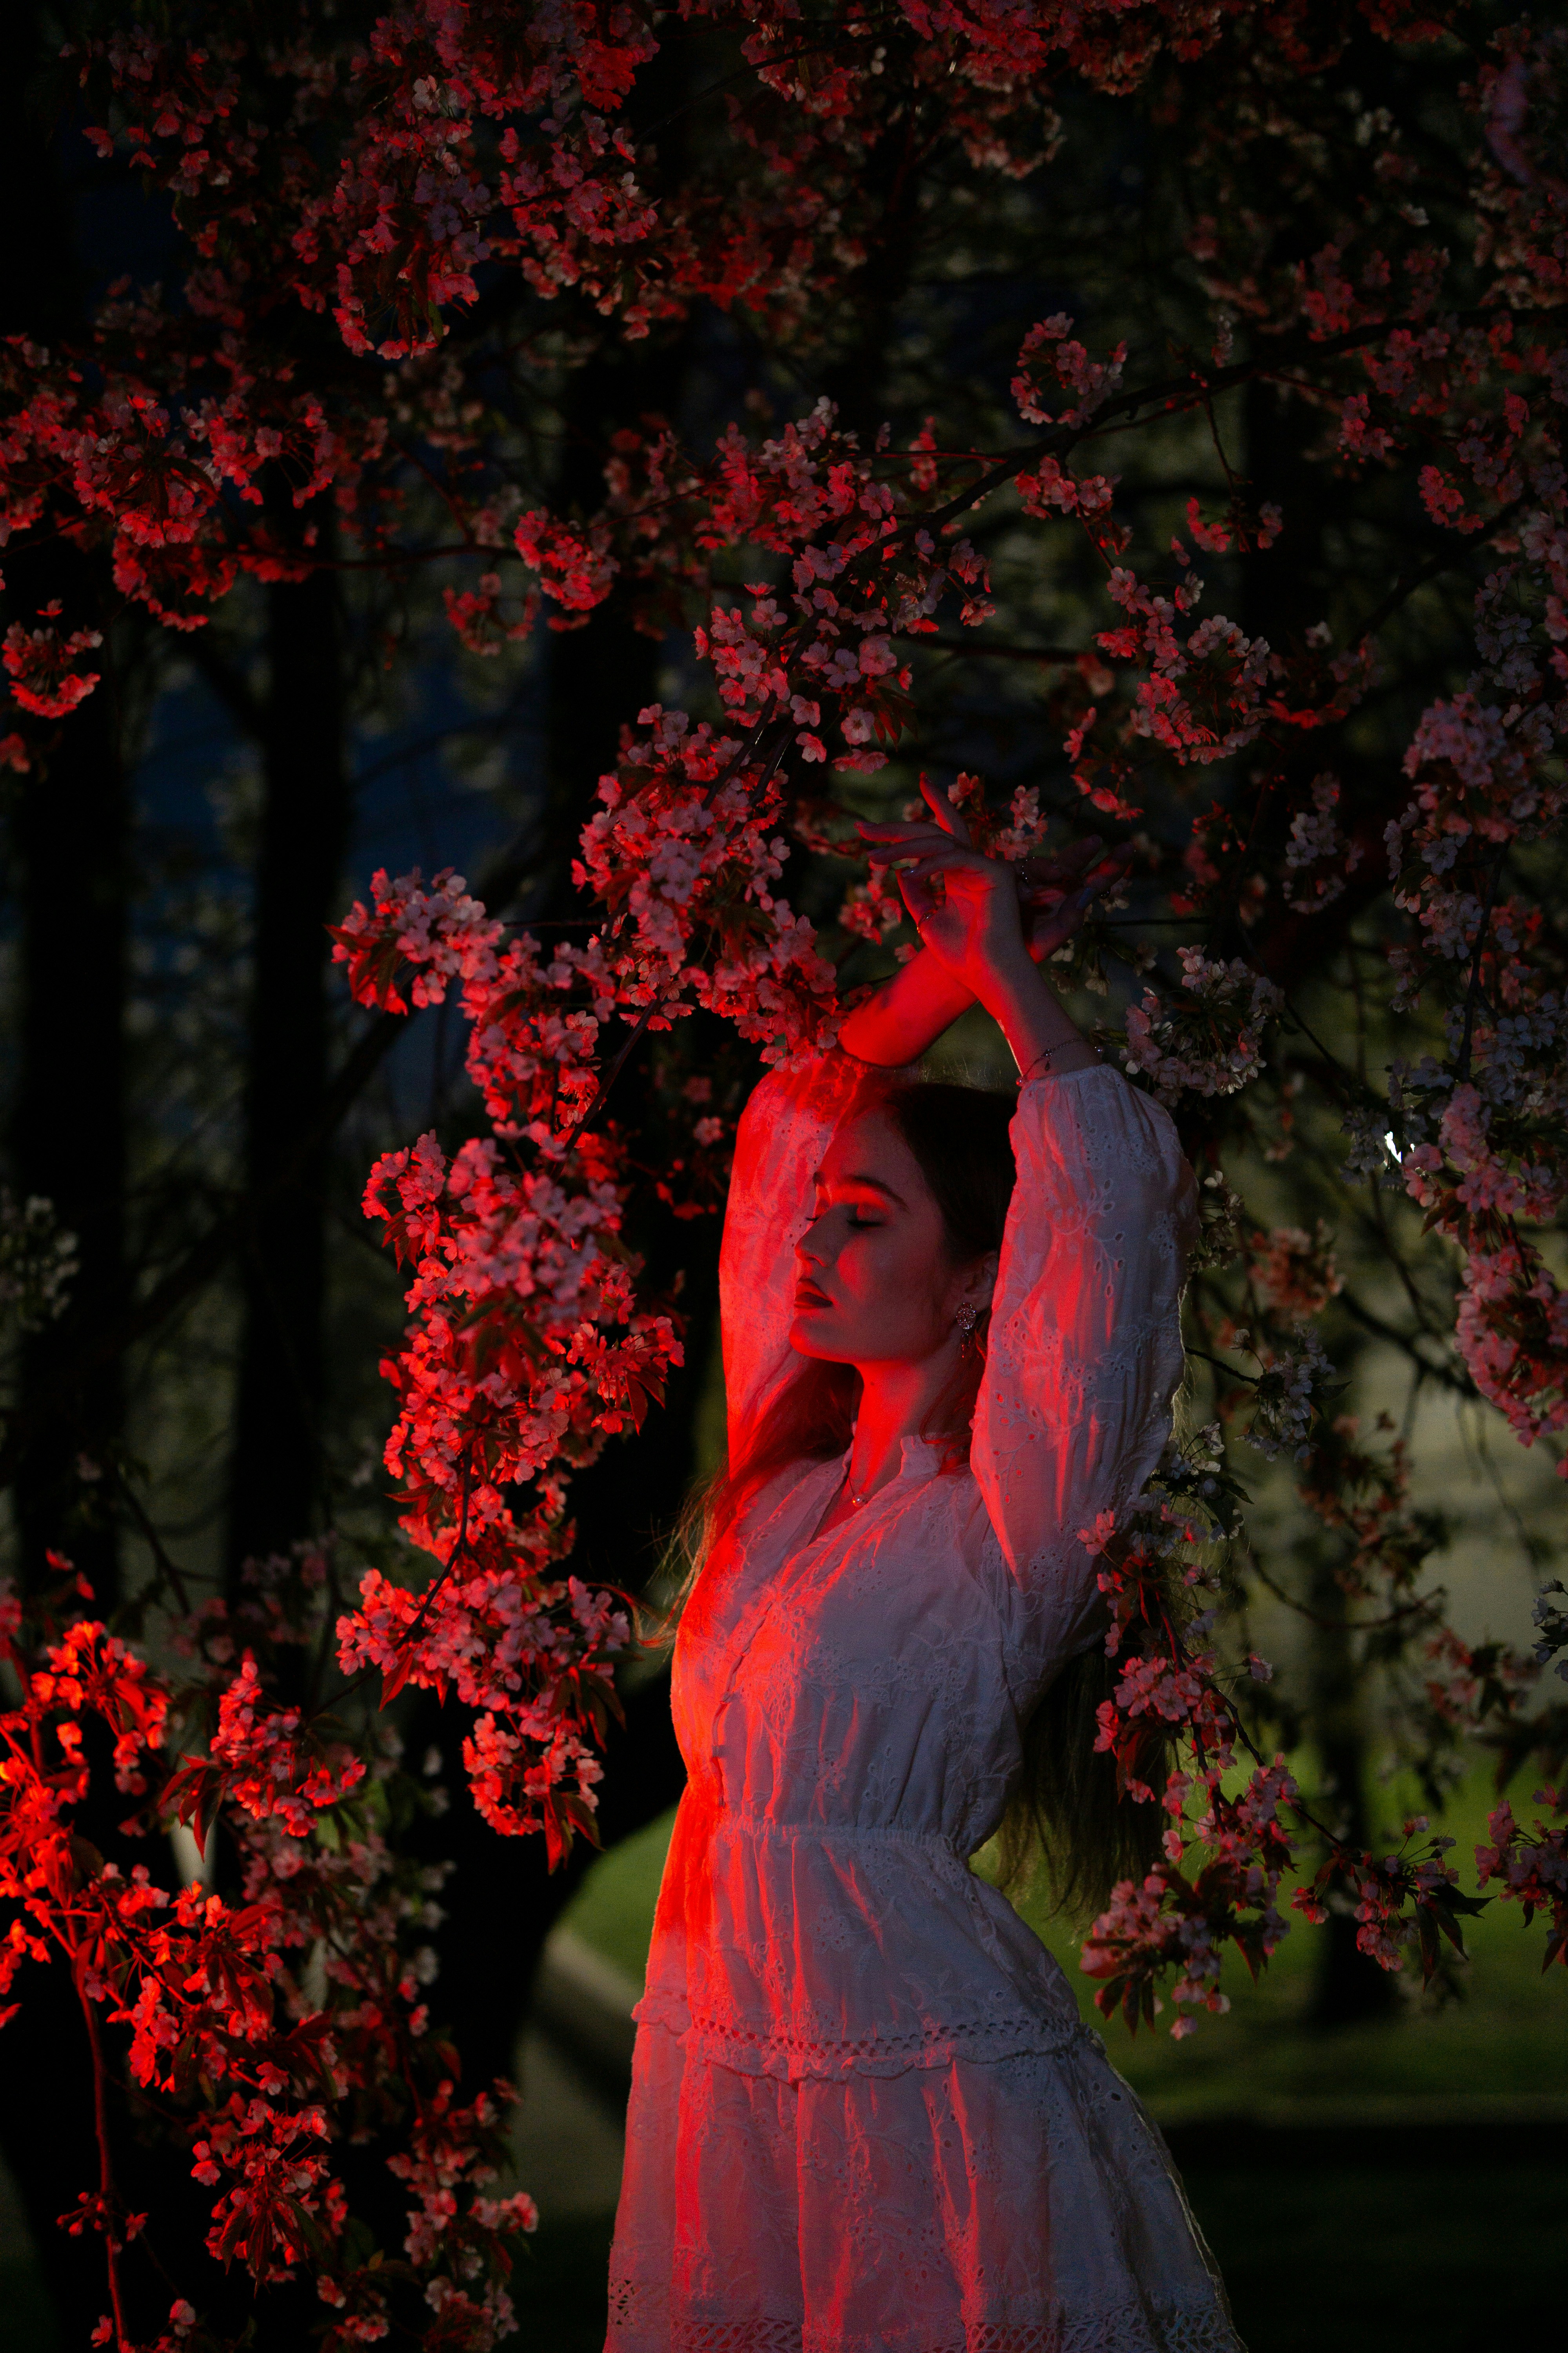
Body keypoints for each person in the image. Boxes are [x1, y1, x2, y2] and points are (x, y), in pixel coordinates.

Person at [604, 782, 1242, 2352]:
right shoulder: (787, 1475)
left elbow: (1103, 1232)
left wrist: (1016, 986)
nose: (813, 1248)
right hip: (727, 2047)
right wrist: (937, 973)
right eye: (824, 1221)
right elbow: (783, 1139)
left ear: (975, 1288)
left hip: (910, 2076)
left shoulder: (1013, 1516)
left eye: (867, 1223)